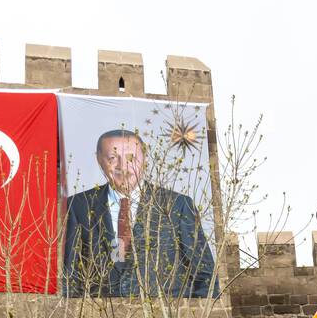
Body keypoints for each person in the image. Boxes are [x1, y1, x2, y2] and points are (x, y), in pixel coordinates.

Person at [63, 128, 216, 298]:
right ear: (99, 160)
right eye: (112, 158)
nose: (123, 166)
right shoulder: (78, 205)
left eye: (131, 157)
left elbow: (206, 275)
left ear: (145, 158)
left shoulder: (177, 205)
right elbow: (69, 277)